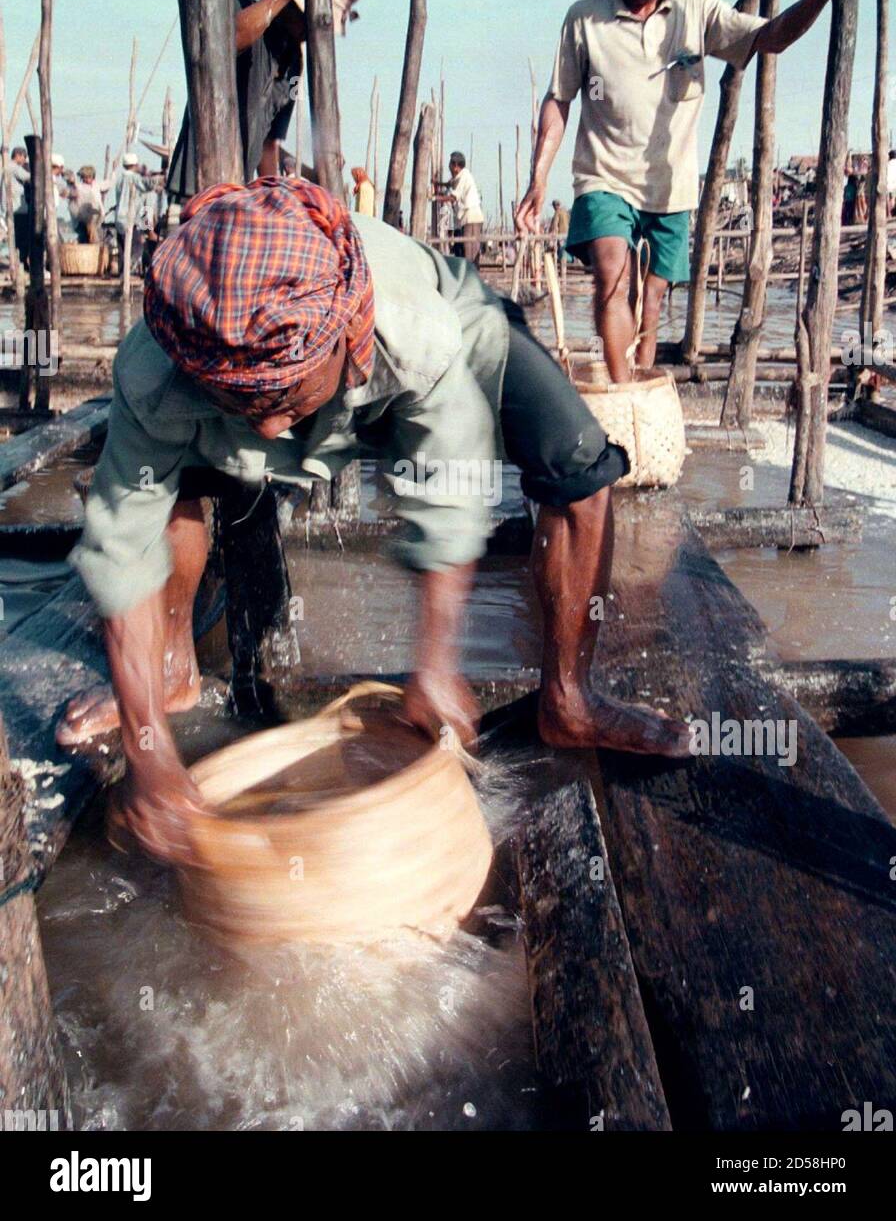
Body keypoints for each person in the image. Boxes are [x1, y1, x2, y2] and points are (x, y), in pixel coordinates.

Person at [56, 176, 689, 861]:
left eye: (286, 400)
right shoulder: (160, 364)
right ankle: (173, 671)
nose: (269, 431)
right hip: (238, 398)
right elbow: (123, 544)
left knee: (582, 471)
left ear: (345, 341)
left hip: (437, 344)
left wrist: (437, 665)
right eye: (247, 403)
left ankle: (569, 700)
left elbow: (450, 483)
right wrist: (148, 753)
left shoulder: (415, 331)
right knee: (168, 483)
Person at [517, 0, 871, 383]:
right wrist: (539, 177)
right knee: (612, 281)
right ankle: (624, 402)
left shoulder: (697, 12)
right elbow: (559, 98)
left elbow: (773, 35)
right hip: (604, 177)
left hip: (672, 187)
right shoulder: (585, 19)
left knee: (653, 300)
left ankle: (640, 380)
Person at [167, 0, 361, 202]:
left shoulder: (293, 63)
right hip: (195, 192)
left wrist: (279, 197)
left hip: (236, 195)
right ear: (293, 1)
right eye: (307, 20)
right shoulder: (237, 6)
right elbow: (230, 40)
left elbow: (268, 146)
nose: (309, 32)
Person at [108, 154, 152, 274]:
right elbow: (149, 185)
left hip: (119, 218)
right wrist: (149, 175)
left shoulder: (120, 178)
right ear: (135, 165)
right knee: (137, 247)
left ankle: (123, 273)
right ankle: (129, 271)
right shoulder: (135, 179)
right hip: (129, 218)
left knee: (123, 248)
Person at [440, 151, 484, 266]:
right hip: (467, 218)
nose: (449, 167)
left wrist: (434, 198)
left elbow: (453, 197)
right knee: (466, 249)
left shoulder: (464, 176)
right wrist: (438, 184)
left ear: (455, 166)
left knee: (469, 251)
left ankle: (471, 278)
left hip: (471, 217)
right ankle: (470, 276)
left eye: (450, 164)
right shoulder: (458, 177)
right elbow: (449, 184)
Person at [4, 145, 30, 269]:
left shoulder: (6, 167)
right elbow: (28, 177)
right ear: (18, 155)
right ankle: (22, 262)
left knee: (16, 238)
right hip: (18, 208)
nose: (24, 161)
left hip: (12, 207)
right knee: (23, 238)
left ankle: (19, 262)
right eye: (24, 158)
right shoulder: (14, 167)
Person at [69, 165, 105, 243]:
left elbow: (108, 184)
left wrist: (113, 171)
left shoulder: (96, 185)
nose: (88, 179)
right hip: (83, 219)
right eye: (85, 177)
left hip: (95, 218)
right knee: (85, 239)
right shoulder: (79, 187)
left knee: (94, 238)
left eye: (90, 177)